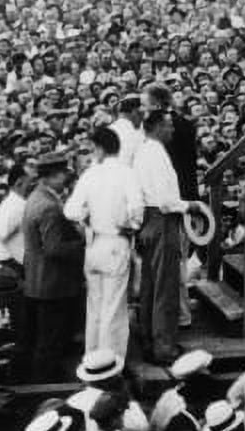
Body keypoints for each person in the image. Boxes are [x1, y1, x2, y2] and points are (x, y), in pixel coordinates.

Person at [63, 125, 143, 362]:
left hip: (94, 244)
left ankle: (92, 359)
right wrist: (129, 224)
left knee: (95, 306)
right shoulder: (126, 173)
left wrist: (88, 217)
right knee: (113, 307)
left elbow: (70, 210)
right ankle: (109, 362)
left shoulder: (90, 174)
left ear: (99, 148)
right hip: (115, 241)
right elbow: (137, 211)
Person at [20, 150, 85, 383]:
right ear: (51, 176)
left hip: (40, 283)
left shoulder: (36, 197)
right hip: (53, 285)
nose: (66, 179)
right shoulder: (48, 206)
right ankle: (45, 387)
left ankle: (45, 382)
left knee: (46, 341)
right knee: (50, 343)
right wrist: (84, 242)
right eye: (62, 175)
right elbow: (54, 248)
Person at [132, 109, 188, 366]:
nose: (172, 130)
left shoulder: (145, 151)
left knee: (151, 285)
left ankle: (149, 340)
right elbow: (166, 201)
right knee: (165, 286)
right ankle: (164, 347)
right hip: (162, 219)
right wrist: (189, 206)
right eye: (168, 125)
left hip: (149, 219)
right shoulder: (155, 154)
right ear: (156, 127)